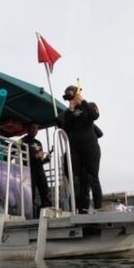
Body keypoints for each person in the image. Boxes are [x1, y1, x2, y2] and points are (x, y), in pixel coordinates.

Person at [58, 85, 102, 213]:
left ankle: (98, 208)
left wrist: (82, 101)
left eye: (70, 94)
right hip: (75, 149)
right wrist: (69, 109)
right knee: (77, 180)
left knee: (92, 176)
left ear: (76, 93)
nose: (69, 97)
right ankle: (81, 209)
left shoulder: (89, 105)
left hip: (90, 146)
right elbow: (61, 123)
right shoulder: (70, 112)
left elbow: (95, 115)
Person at [21, 122, 52, 216]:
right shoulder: (22, 140)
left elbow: (40, 159)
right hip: (29, 171)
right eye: (32, 128)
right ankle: (30, 215)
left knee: (45, 191)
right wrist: (35, 156)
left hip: (40, 170)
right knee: (31, 194)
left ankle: (46, 214)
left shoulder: (38, 142)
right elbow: (18, 154)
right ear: (28, 128)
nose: (34, 130)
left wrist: (46, 159)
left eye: (36, 128)